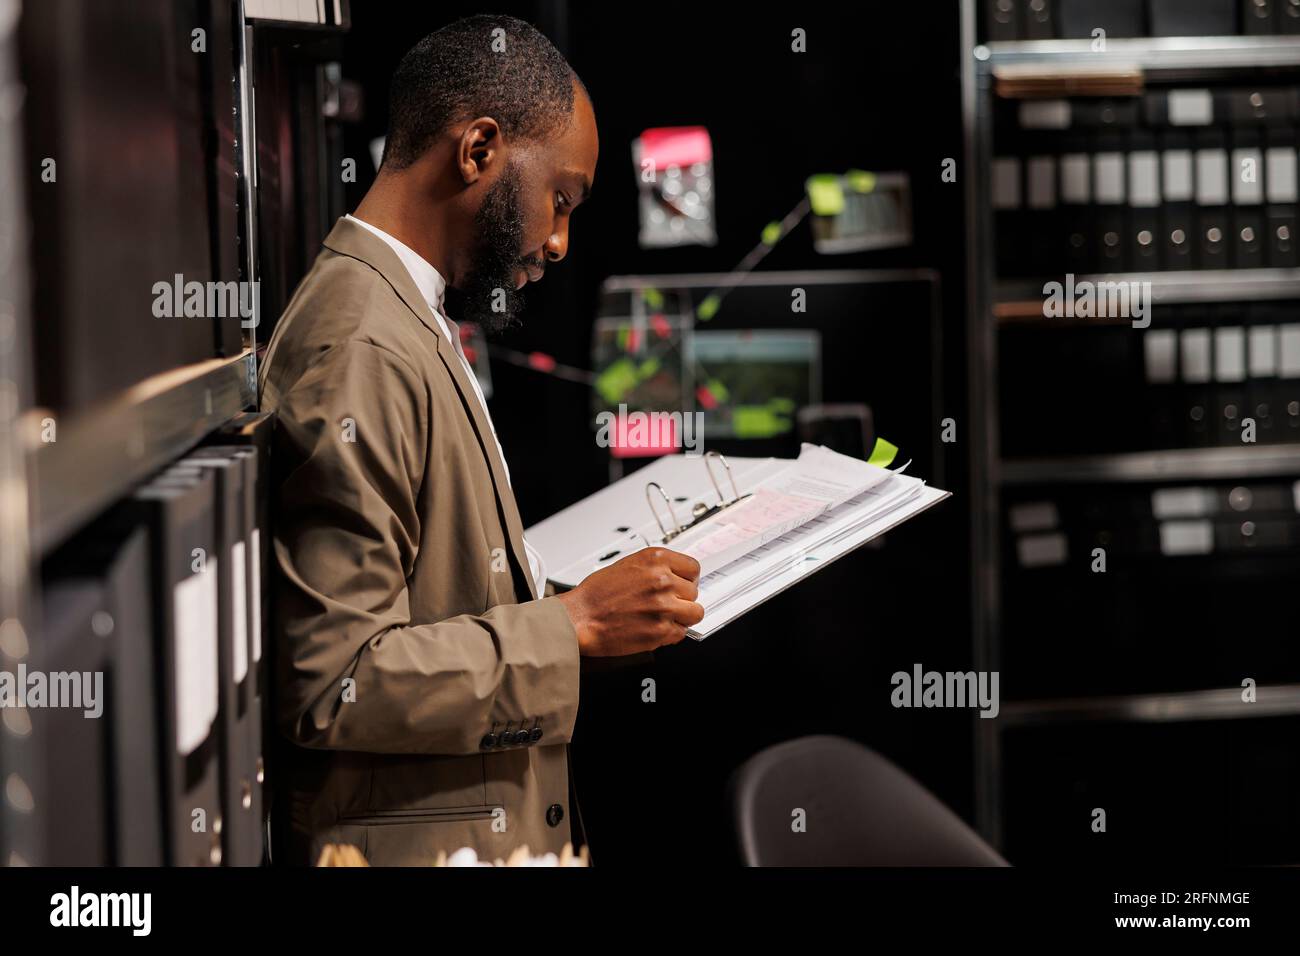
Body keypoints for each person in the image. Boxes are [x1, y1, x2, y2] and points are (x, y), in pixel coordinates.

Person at [258, 14, 704, 866]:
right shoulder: (361, 341)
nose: (562, 239)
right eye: (561, 199)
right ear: (479, 150)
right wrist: (570, 627)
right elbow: (331, 683)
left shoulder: (403, 311)